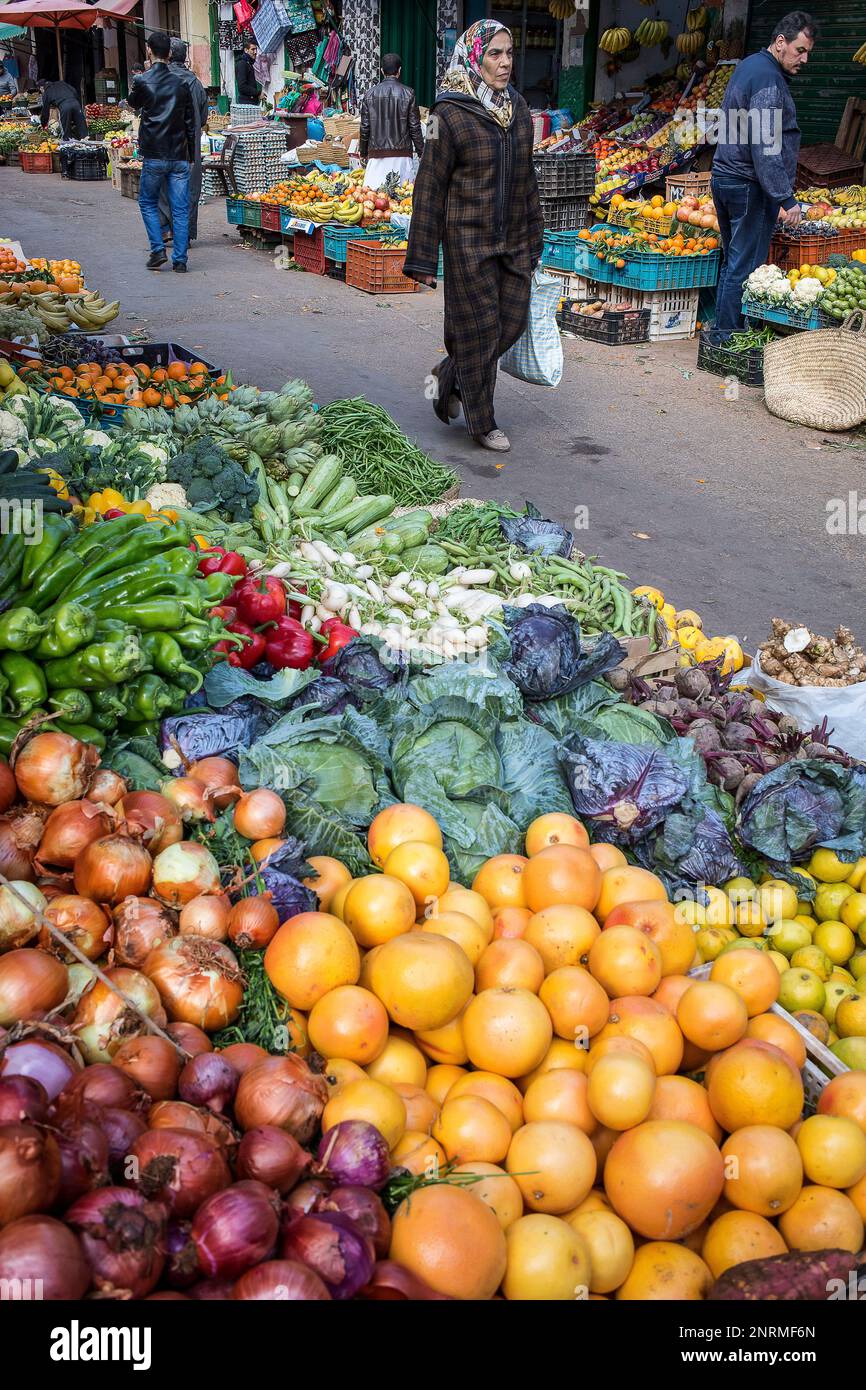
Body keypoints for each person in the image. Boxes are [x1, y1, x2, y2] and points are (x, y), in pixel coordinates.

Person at [403, 21, 543, 454]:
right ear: (474, 58)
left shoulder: (518, 109)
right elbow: (429, 185)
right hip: (468, 241)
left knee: (513, 321)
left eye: (509, 53)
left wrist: (535, 237)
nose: (505, 64)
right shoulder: (445, 115)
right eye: (494, 55)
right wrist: (423, 259)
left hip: (515, 238)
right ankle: (484, 423)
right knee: (481, 331)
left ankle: (449, 374)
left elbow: (527, 177)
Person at [711, 11, 817, 338]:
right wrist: (785, 197)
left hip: (726, 177)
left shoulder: (748, 66)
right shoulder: (767, 79)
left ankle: (724, 333)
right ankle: (727, 337)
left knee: (733, 262)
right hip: (748, 184)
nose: (804, 59)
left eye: (809, 53)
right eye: (800, 50)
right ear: (780, 42)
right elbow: (766, 146)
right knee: (743, 267)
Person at [128, 31, 196, 273]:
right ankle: (180, 260)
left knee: (147, 202)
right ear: (169, 53)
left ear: (149, 51)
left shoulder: (142, 80)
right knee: (180, 208)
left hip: (155, 153)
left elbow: (133, 103)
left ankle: (158, 249)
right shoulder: (182, 84)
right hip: (178, 154)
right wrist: (191, 155)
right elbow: (190, 122)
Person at [157, 39, 209, 243]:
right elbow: (203, 118)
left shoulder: (159, 80)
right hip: (189, 144)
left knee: (163, 185)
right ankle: (184, 233)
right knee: (189, 187)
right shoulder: (195, 83)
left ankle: (167, 229)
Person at [359, 53, 424, 190]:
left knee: (374, 199)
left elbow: (365, 127)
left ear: (382, 71)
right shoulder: (409, 93)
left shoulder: (369, 94)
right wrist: (421, 152)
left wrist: (363, 152)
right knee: (403, 199)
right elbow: (415, 127)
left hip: (376, 157)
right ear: (399, 71)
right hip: (402, 158)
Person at [235, 40, 260, 105]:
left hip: (251, 101)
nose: (255, 52)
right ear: (246, 50)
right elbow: (242, 86)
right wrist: (258, 93)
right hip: (246, 103)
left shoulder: (249, 63)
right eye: (253, 49)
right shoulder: (242, 64)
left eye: (256, 49)